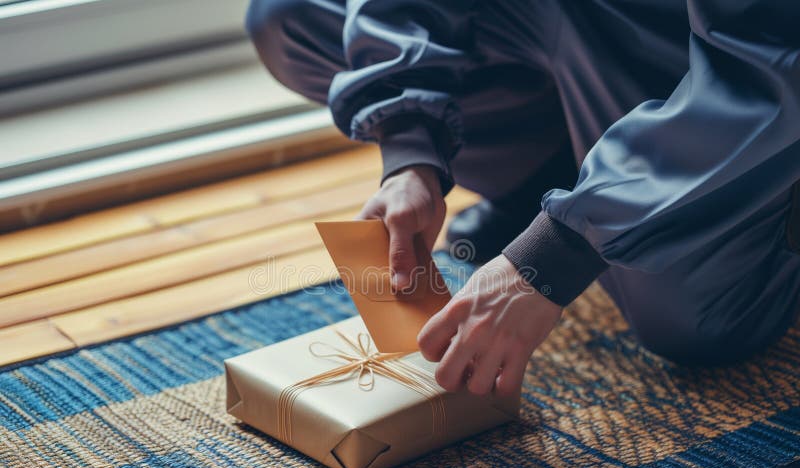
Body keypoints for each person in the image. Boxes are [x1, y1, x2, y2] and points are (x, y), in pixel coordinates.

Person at [246, 0, 800, 396]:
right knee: (292, 16)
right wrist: (410, 144)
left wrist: (552, 254)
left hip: (716, 72)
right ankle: (554, 186)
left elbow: (764, 67)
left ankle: (764, 218)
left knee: (699, 324)